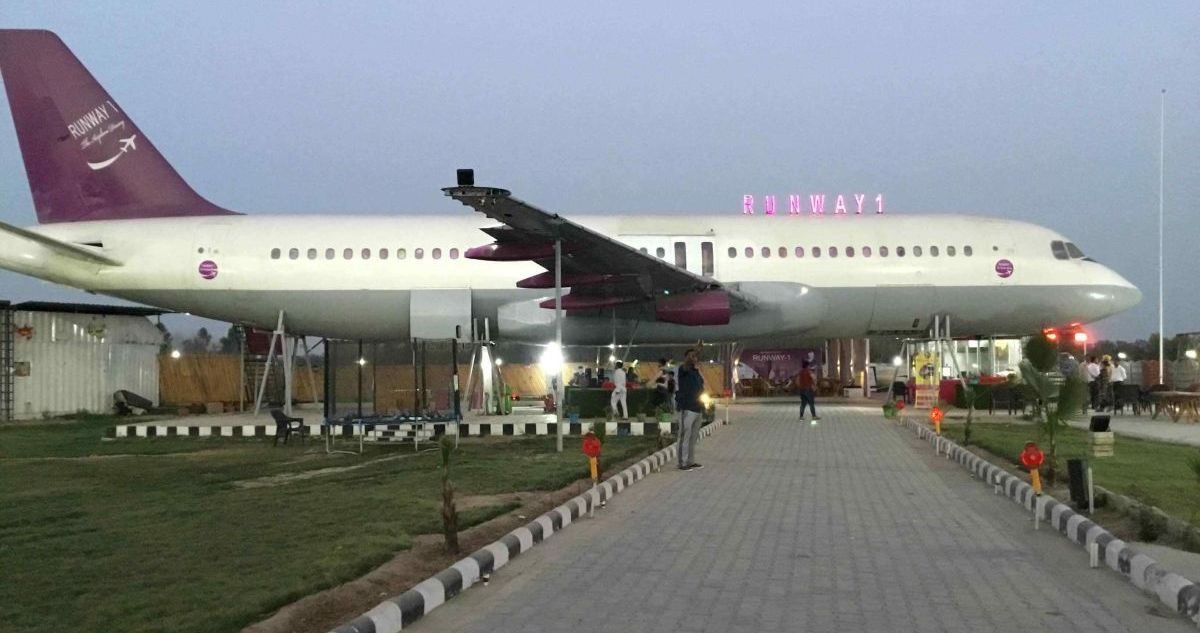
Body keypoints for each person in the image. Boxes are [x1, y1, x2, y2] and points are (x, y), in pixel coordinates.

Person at [675, 348, 705, 470]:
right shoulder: (683, 370)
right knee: (684, 436)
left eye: (695, 356)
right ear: (687, 358)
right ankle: (682, 462)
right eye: (691, 356)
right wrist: (696, 351)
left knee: (693, 437)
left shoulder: (696, 372)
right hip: (687, 408)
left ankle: (690, 461)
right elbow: (687, 363)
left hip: (697, 408)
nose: (694, 358)